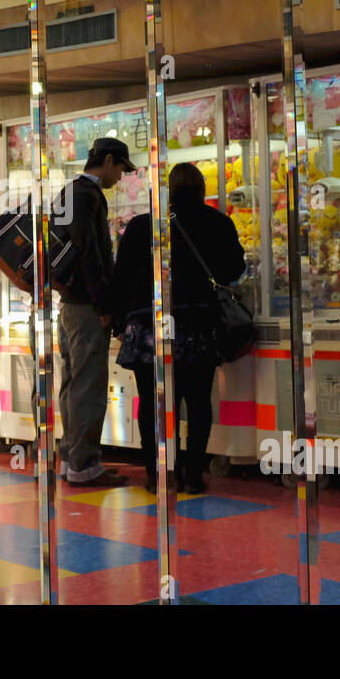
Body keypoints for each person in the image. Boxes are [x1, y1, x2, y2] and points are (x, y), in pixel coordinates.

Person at [112, 163, 245, 494]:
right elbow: (233, 270)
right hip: (197, 323)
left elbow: (121, 277)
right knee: (197, 399)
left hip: (148, 326)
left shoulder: (142, 225)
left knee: (153, 400)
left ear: (167, 191)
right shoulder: (217, 223)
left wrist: (118, 322)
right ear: (202, 190)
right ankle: (192, 474)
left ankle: (157, 474)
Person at [55, 137, 135, 487]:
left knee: (73, 382)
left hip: (70, 304)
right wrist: (105, 306)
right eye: (120, 168)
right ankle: (84, 466)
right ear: (107, 160)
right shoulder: (86, 196)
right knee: (87, 386)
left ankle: (70, 457)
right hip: (86, 307)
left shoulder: (69, 192)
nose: (120, 176)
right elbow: (90, 254)